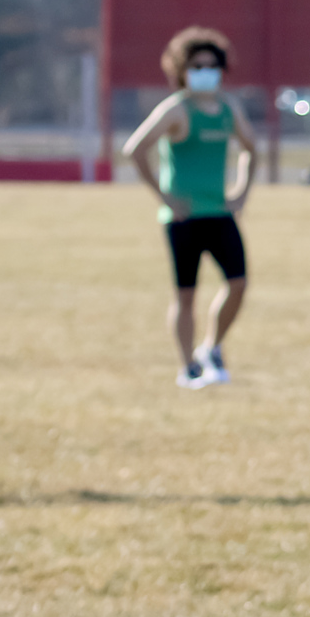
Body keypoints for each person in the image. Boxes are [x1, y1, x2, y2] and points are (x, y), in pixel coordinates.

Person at [124, 26, 257, 389]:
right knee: (186, 295)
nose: (205, 72)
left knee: (238, 283)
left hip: (219, 212)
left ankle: (211, 347)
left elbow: (251, 149)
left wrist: (241, 193)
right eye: (197, 65)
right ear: (182, 70)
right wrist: (164, 197)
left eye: (212, 65)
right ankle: (188, 368)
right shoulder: (175, 110)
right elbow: (135, 149)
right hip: (183, 218)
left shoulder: (229, 109)